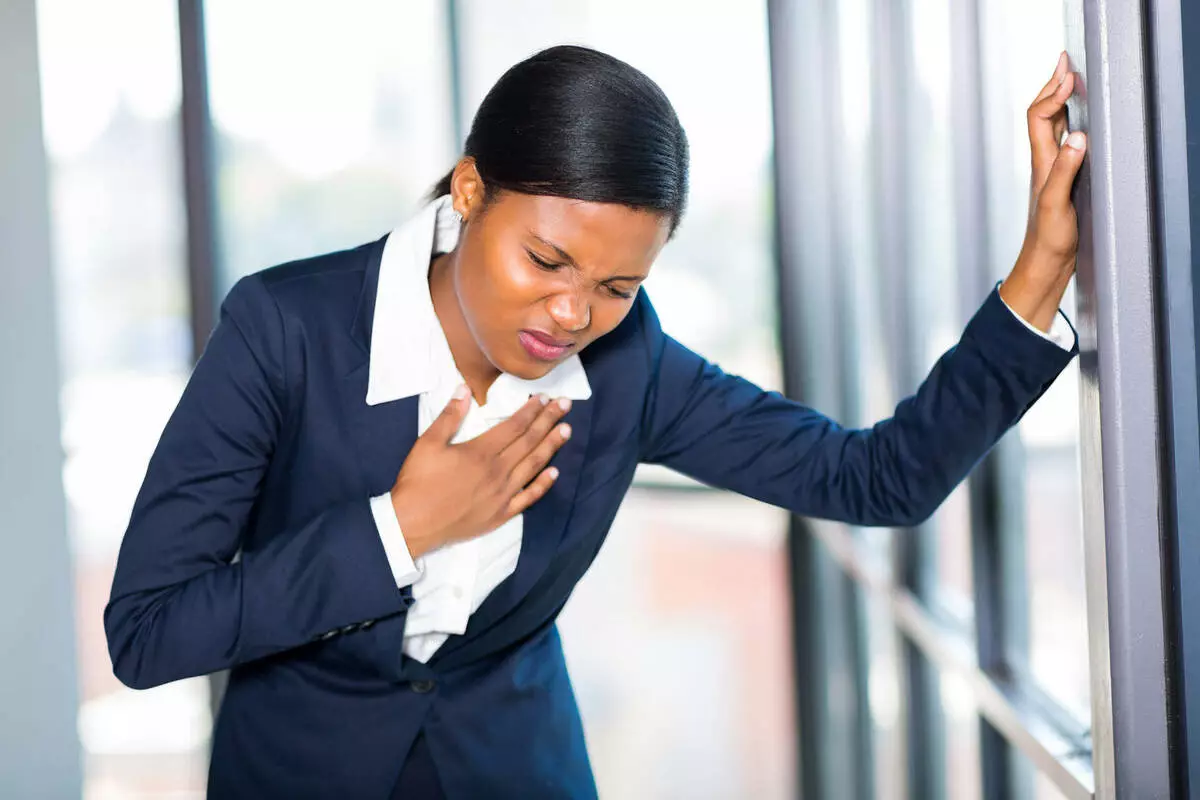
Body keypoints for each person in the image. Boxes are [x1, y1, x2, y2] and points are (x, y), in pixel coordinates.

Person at [105, 45, 1084, 798]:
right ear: (470, 191)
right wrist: (398, 530)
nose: (574, 313)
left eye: (619, 283)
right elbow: (148, 631)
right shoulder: (287, 328)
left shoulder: (627, 363)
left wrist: (1038, 271)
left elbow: (877, 479)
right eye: (546, 261)